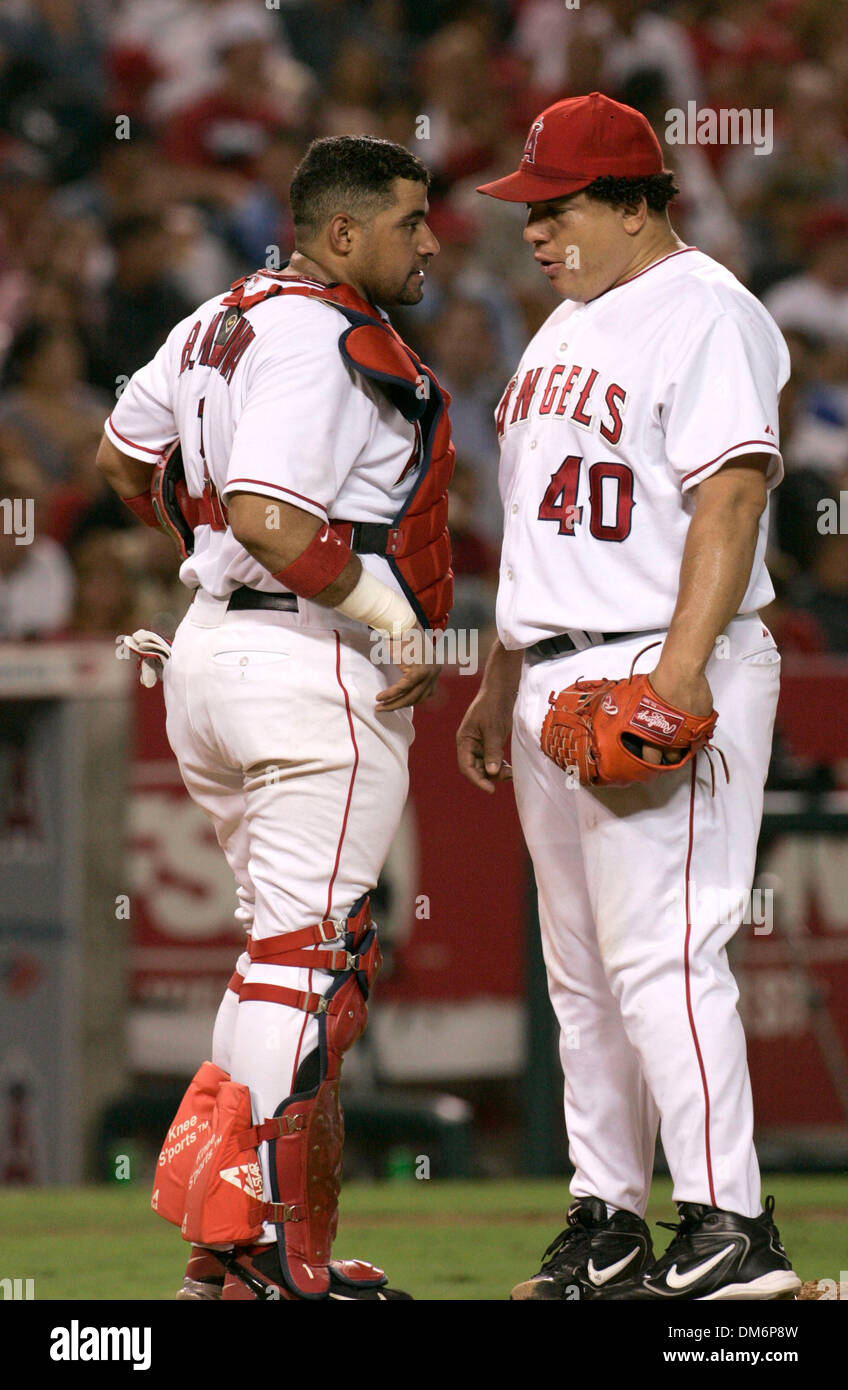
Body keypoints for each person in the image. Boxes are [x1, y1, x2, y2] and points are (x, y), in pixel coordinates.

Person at [457, 92, 801, 1301]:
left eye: (557, 210)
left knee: (665, 950)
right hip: (553, 664)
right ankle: (605, 1219)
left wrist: (674, 674)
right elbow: (533, 528)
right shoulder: (560, 329)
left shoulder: (703, 310)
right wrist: (500, 680)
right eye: (529, 213)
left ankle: (730, 1227)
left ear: (636, 205)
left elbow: (732, 497)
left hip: (660, 654)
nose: (534, 234)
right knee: (584, 974)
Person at [95, 135, 452, 1301]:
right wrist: (387, 614)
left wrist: (212, 564)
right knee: (315, 966)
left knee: (276, 960)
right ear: (340, 231)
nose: (431, 239)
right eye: (409, 220)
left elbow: (120, 457)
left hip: (214, 652)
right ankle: (276, 1267)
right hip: (305, 660)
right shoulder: (312, 333)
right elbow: (264, 511)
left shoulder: (224, 313)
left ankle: (229, 1254)